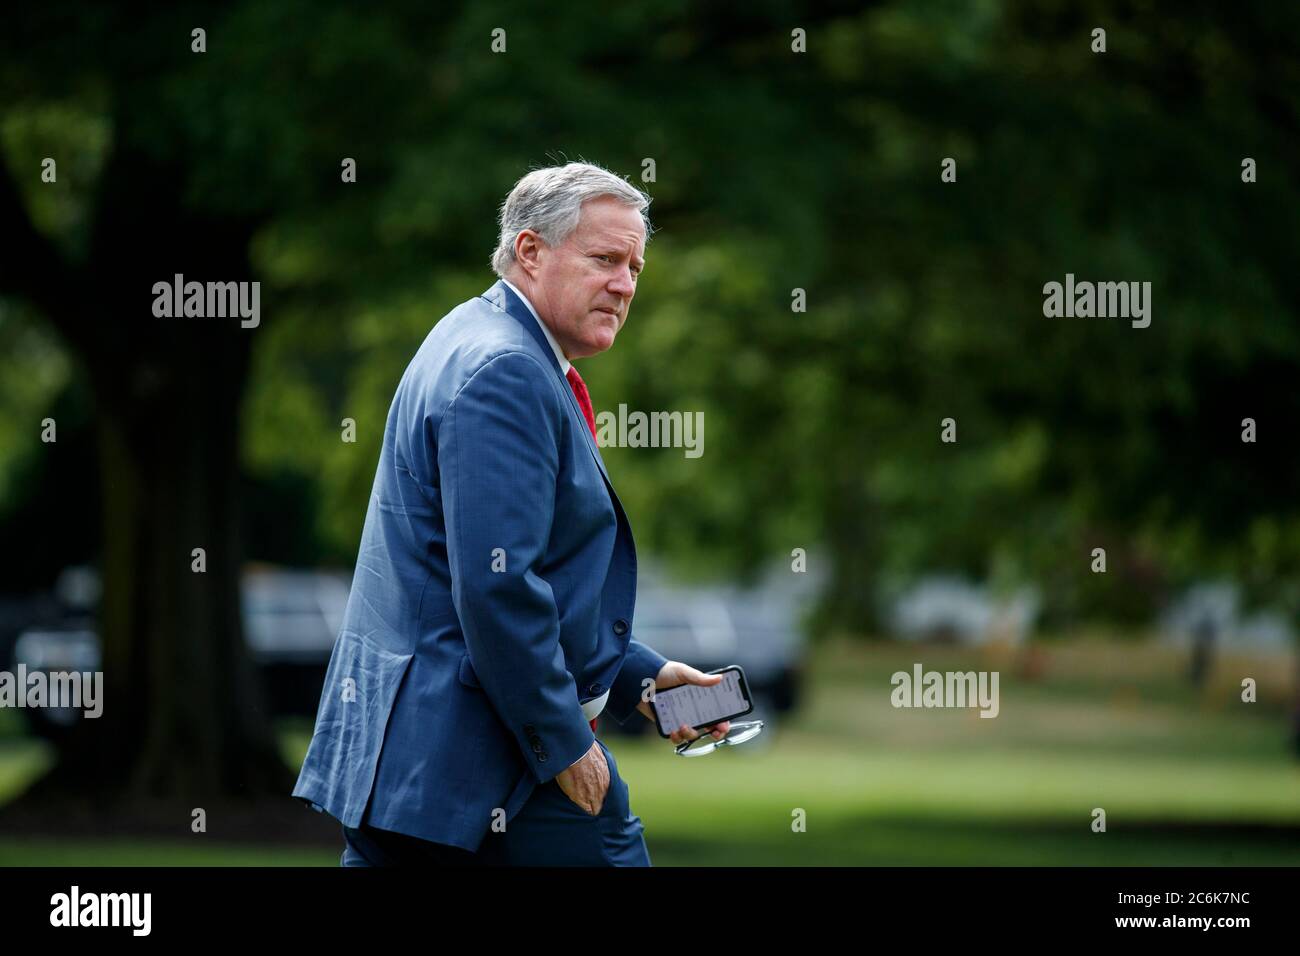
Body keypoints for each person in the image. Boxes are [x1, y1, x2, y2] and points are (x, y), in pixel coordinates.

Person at [292, 160, 729, 866]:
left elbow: (510, 574)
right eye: (605, 260)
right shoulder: (506, 370)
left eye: (636, 268)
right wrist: (564, 745)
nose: (624, 285)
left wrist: (637, 678)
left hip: (418, 771)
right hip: (488, 769)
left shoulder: (473, 333)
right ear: (530, 251)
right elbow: (497, 586)